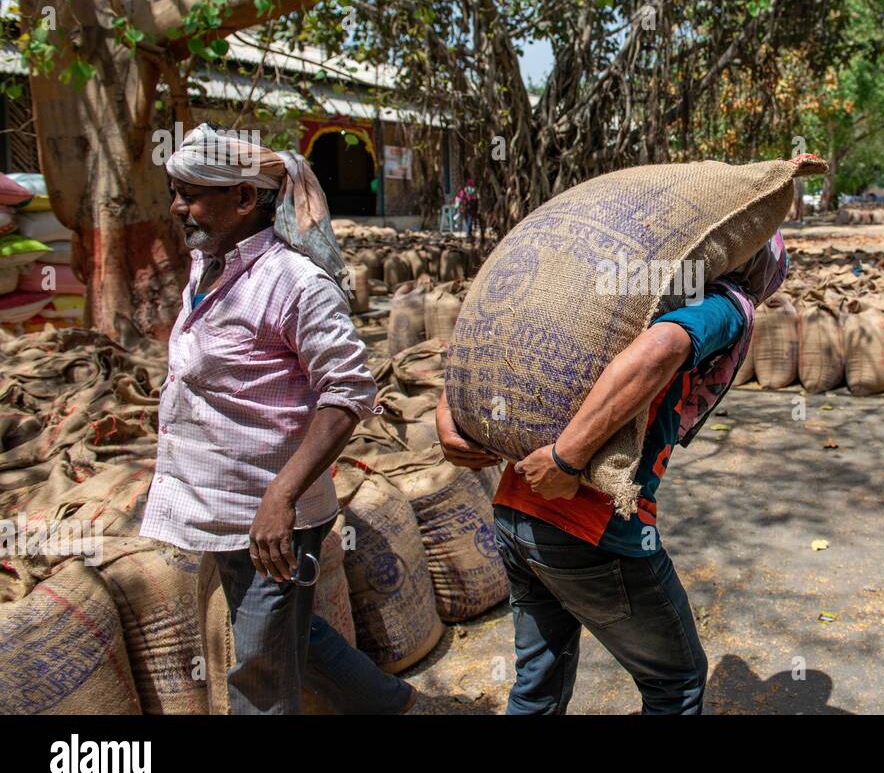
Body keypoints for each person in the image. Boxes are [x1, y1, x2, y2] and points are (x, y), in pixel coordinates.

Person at [436, 234, 790, 714]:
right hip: (589, 529)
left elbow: (500, 335)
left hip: (515, 511)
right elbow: (665, 345)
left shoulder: (633, 295)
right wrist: (567, 459)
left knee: (537, 685)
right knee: (677, 683)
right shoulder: (723, 303)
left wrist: (451, 412)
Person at [140, 123, 415, 715]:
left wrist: (280, 498)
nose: (177, 207)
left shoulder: (295, 284)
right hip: (216, 503)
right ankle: (388, 702)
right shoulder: (207, 267)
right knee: (284, 633)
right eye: (175, 191)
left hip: (268, 517)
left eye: (191, 193)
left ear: (244, 199)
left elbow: (347, 393)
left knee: (259, 675)